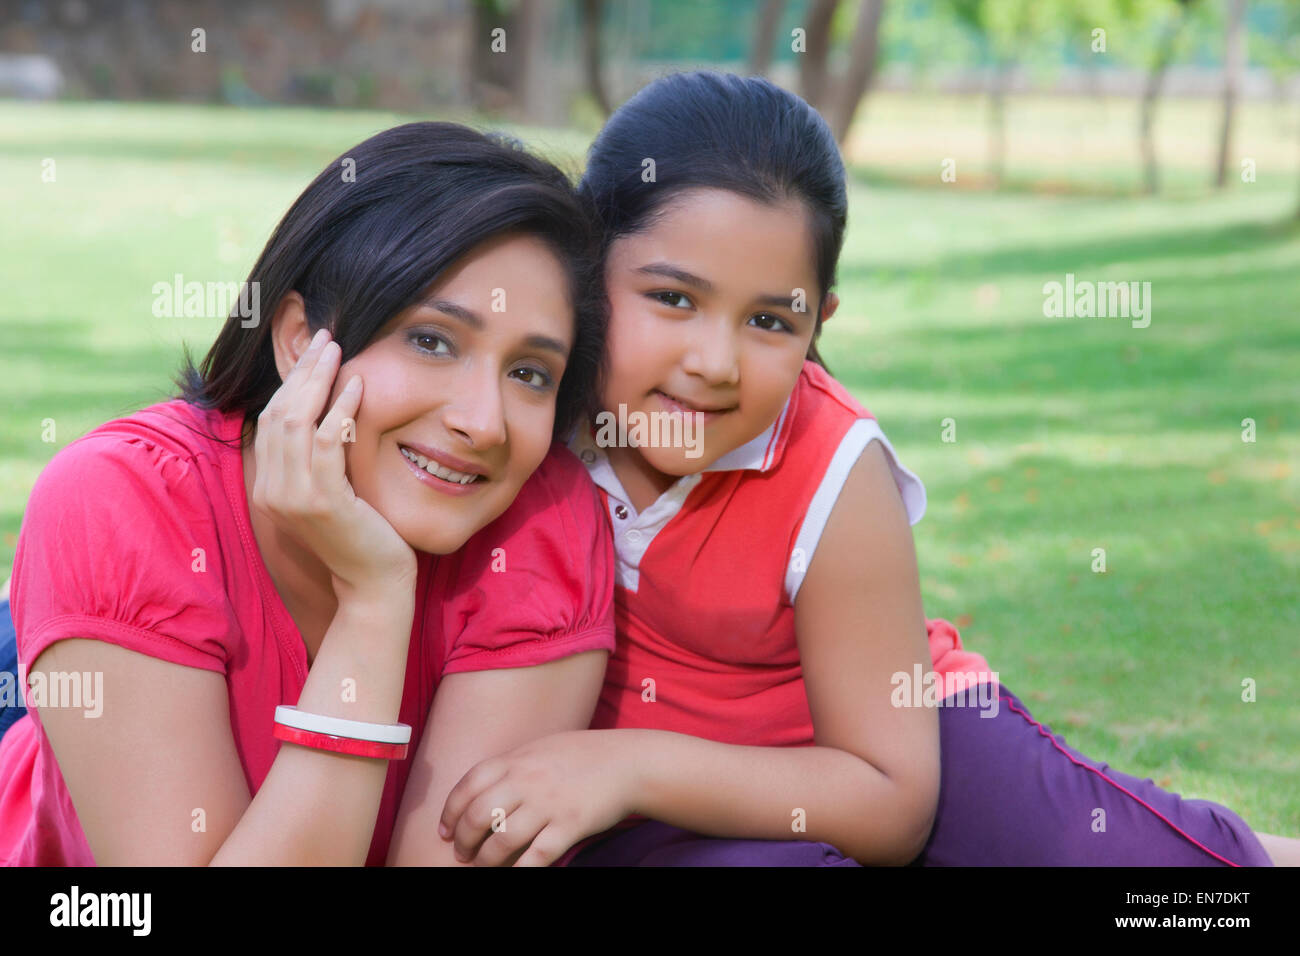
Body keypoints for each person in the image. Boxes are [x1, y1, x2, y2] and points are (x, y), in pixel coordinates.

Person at [433, 71, 1296, 867]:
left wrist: (624, 765)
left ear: (820, 323)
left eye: (770, 321)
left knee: (1128, 866)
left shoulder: (831, 466)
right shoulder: (523, 410)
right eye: (673, 298)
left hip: (898, 750)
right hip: (672, 801)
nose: (715, 361)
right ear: (586, 273)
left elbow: (890, 798)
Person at [0, 121, 616, 866]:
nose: (483, 423)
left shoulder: (541, 523)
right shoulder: (119, 503)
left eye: (529, 374)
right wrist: (376, 601)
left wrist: (372, 597)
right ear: (298, 339)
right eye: (432, 340)